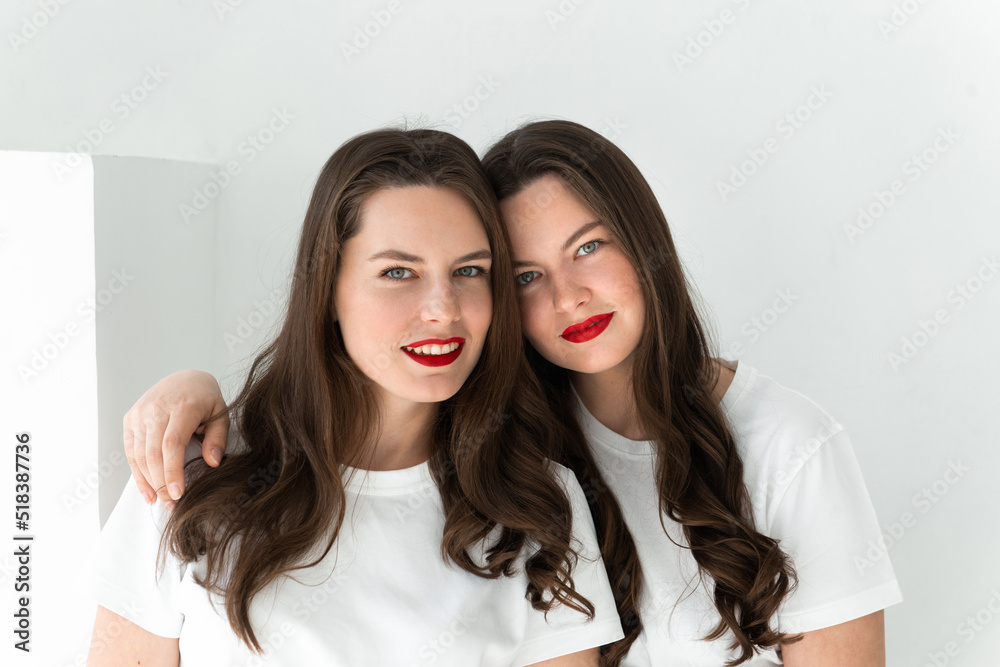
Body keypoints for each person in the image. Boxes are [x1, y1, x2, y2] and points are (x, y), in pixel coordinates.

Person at [121, 120, 902, 666]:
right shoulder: (521, 440)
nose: (568, 297)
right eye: (525, 275)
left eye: (589, 247)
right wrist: (198, 391)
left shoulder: (780, 447)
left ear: (647, 242)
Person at [88, 128, 626, 667]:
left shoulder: (538, 502)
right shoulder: (188, 473)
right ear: (329, 291)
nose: (443, 308)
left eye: (469, 271)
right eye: (398, 272)